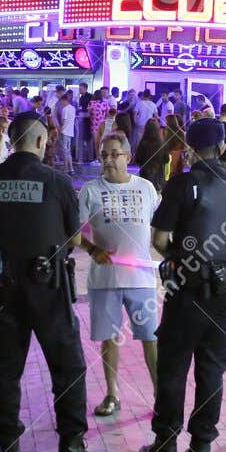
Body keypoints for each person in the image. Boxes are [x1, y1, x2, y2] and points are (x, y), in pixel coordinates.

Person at [0, 112, 109, 452]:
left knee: (4, 371)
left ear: (12, 140)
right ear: (42, 140)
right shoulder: (57, 182)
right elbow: (73, 236)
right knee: (67, 369)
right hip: (47, 289)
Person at [137, 119, 226, 452]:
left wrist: (179, 258)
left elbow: (158, 239)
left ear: (189, 148)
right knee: (212, 368)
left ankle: (166, 445)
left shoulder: (184, 184)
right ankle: (201, 448)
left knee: (173, 367)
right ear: (221, 148)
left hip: (190, 288)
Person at [77, 131, 160, 418]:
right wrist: (91, 249)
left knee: (151, 336)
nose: (109, 160)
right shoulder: (90, 190)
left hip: (142, 280)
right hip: (105, 279)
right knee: (109, 338)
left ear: (128, 156)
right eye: (104, 155)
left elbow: (161, 227)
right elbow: (73, 232)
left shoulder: (147, 188)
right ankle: (112, 394)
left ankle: (161, 394)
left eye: (114, 154)